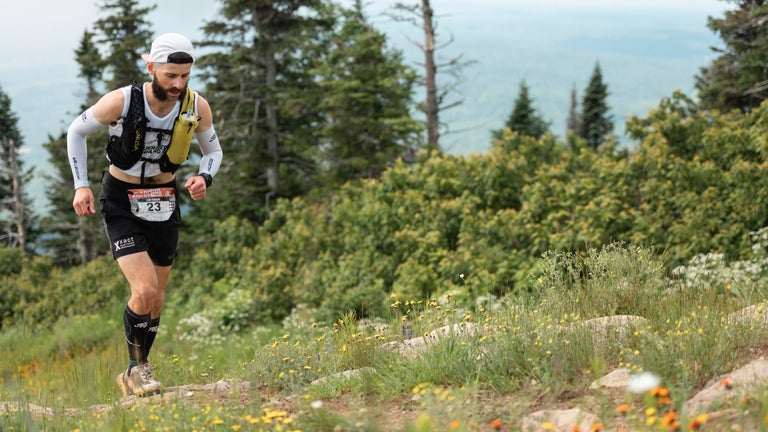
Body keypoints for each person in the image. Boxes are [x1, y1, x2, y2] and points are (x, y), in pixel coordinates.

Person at [66, 33, 223, 397]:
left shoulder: (196, 106)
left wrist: (204, 176)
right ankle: (136, 369)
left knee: (157, 298)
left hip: (164, 198)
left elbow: (212, 150)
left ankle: (140, 370)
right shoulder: (121, 100)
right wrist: (81, 184)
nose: (178, 84)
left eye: (185, 76)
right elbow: (77, 130)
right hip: (121, 199)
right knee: (145, 288)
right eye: (170, 75)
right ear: (150, 67)